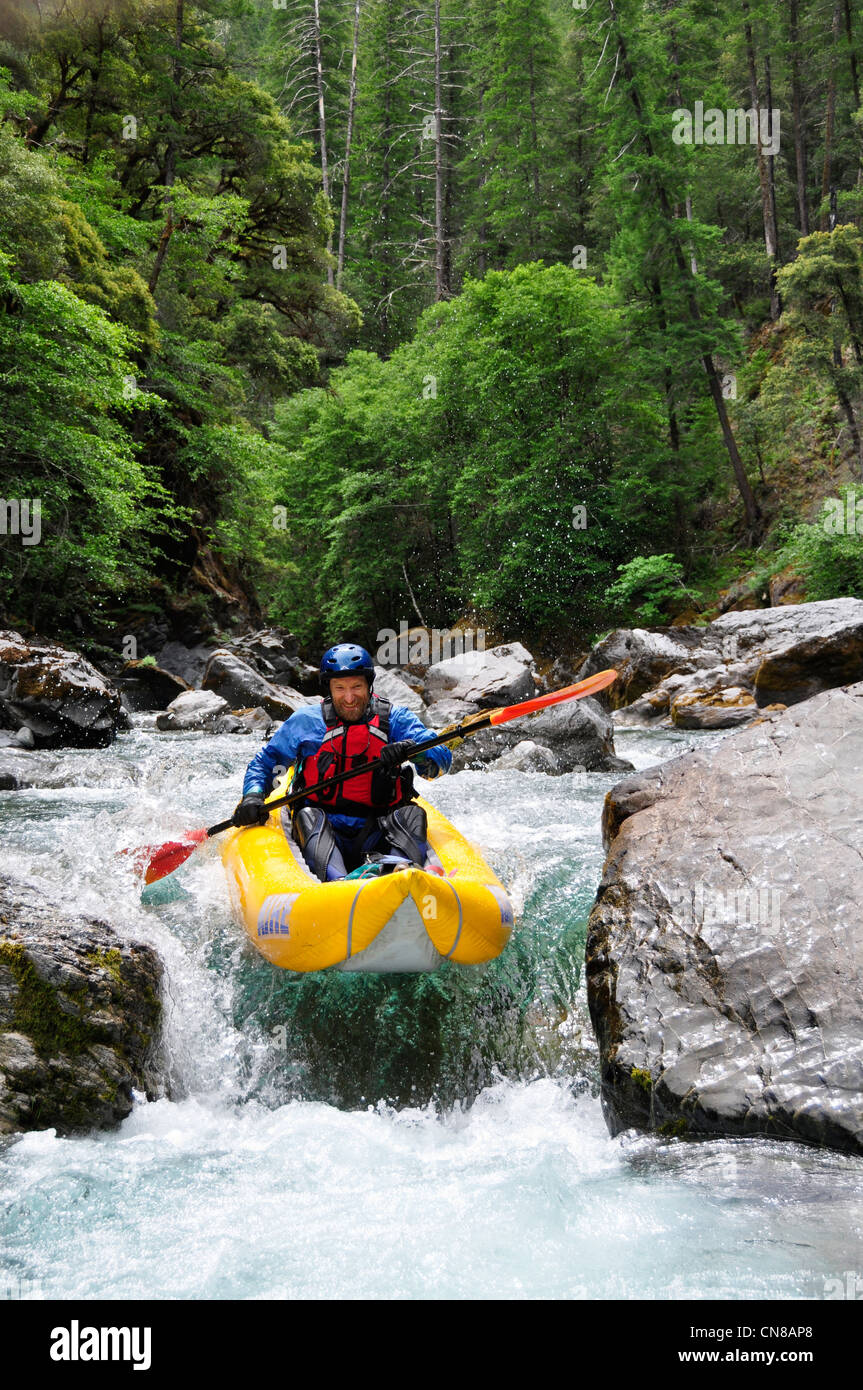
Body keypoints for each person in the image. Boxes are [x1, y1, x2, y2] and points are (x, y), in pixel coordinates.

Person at [232, 642, 452, 881]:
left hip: (379, 826)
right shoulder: (306, 722)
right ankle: (342, 884)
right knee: (308, 816)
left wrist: (412, 751)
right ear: (329, 689)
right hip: (325, 825)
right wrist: (253, 795)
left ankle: (402, 875)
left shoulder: (395, 719)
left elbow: (440, 762)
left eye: (357, 686)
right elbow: (266, 763)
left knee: (412, 814)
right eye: (340, 688)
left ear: (369, 685)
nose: (349, 697)